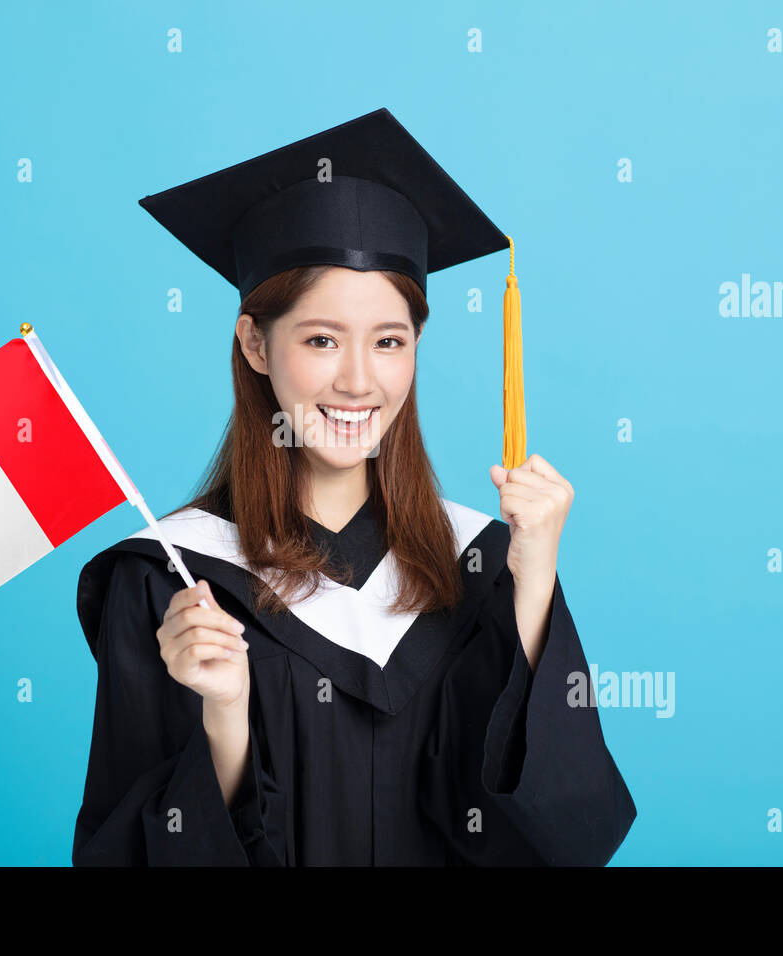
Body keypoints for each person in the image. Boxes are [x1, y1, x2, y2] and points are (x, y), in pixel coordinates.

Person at [71, 108, 637, 865]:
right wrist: (227, 722)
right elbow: (127, 853)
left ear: (417, 346)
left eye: (389, 342)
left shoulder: (484, 564)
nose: (359, 381)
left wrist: (532, 594)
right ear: (254, 343)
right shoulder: (169, 579)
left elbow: (555, 843)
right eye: (321, 339)